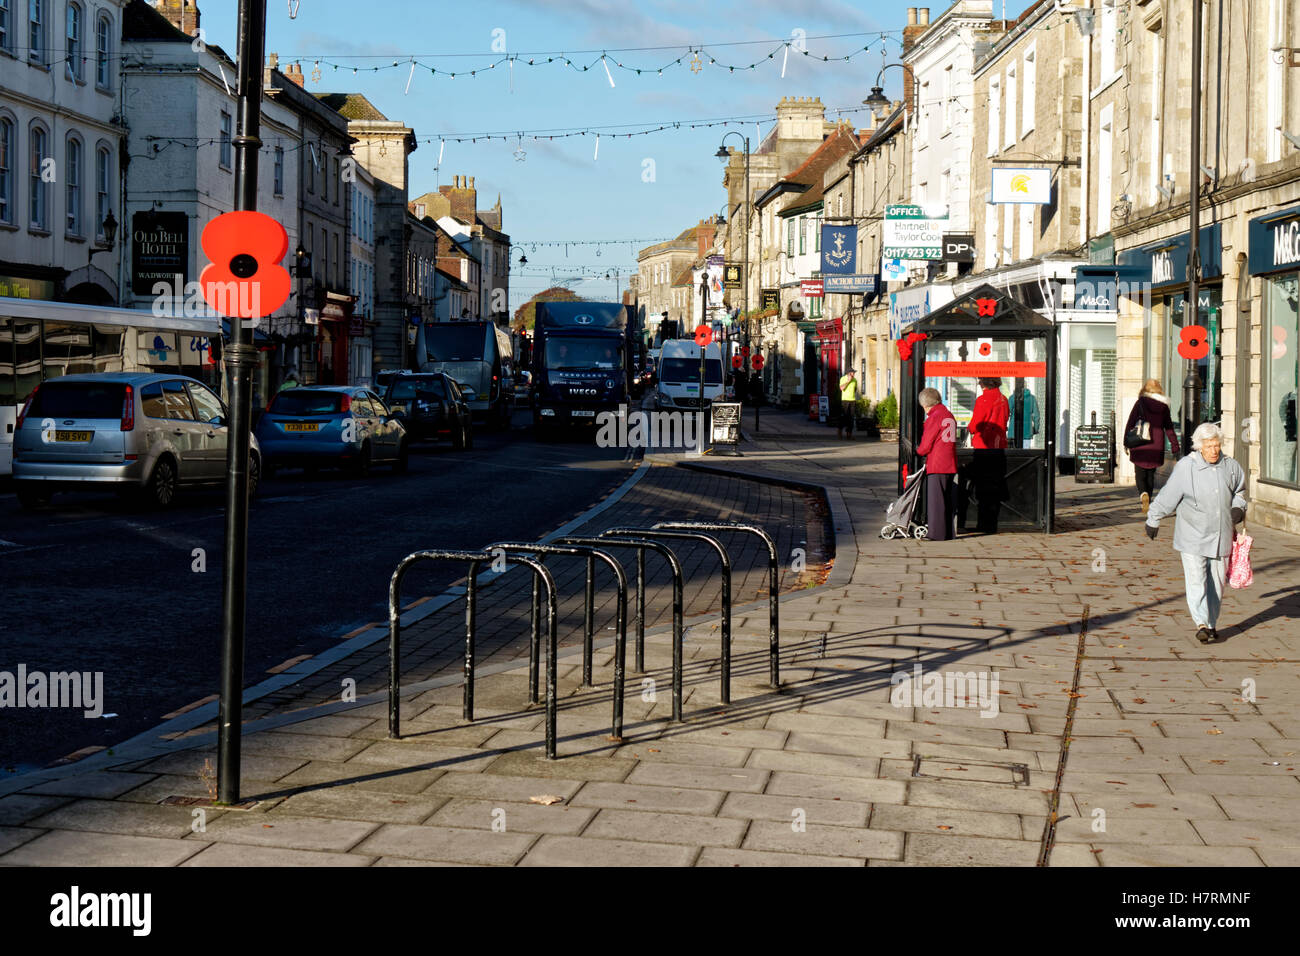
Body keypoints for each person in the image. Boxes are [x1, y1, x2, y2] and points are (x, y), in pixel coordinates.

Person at [1144, 422, 1247, 644]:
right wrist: (1153, 518)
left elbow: (1240, 490)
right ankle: (1201, 623)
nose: (1213, 450)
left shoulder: (1231, 466)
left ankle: (1211, 624)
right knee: (1197, 580)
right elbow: (1169, 495)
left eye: (1217, 445)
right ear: (1199, 446)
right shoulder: (1186, 467)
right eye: (1209, 446)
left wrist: (1239, 507)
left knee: (1217, 583)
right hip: (1193, 535)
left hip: (1221, 535)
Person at [960, 377, 1009, 533]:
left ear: (985, 384)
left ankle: (982, 523)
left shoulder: (983, 400)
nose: (979, 385)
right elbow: (1006, 418)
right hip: (999, 445)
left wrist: (969, 428)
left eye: (980, 382)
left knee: (982, 487)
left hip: (983, 445)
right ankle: (992, 523)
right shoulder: (1003, 399)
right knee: (994, 486)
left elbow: (975, 425)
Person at [1126, 378, 1181, 515]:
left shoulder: (1140, 403)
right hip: (1156, 445)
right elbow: (1169, 428)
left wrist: (1126, 442)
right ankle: (1148, 499)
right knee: (1151, 475)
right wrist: (1175, 445)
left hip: (1140, 443)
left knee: (1140, 473)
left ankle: (1143, 493)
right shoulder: (1163, 407)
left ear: (1145, 389)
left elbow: (1130, 423)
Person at [917, 387, 958, 541]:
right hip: (950, 461)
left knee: (936, 500)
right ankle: (948, 532)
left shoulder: (934, 417)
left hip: (937, 462)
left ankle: (936, 534)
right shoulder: (948, 414)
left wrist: (919, 451)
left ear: (925, 404)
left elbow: (926, 444)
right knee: (946, 499)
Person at [837, 369, 859, 439]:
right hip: (845, 400)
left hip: (852, 400)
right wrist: (848, 381)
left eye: (854, 373)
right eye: (853, 372)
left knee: (851, 418)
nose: (854, 374)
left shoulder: (855, 380)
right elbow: (841, 388)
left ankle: (849, 435)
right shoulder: (843, 378)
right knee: (843, 417)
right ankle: (839, 433)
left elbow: (855, 389)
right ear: (849, 373)